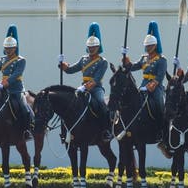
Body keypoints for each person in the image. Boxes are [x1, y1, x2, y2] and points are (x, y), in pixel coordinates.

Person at [59, 22, 112, 140]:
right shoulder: (83, 60)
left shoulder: (103, 62)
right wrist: (64, 66)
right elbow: (71, 70)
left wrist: (85, 87)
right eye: (90, 47)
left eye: (94, 47)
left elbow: (97, 79)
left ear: (98, 47)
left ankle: (106, 130)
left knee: (102, 104)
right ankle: (66, 132)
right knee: (69, 105)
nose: (91, 49)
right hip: (83, 87)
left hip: (96, 89)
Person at [0, 25, 34, 139]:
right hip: (3, 90)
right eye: (6, 48)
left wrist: (6, 83)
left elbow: (16, 74)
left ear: (15, 48)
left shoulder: (21, 60)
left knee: (24, 108)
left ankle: (27, 130)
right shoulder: (2, 59)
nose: (8, 50)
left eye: (10, 48)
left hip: (16, 90)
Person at [122, 20, 168, 151]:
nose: (148, 48)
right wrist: (126, 59)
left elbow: (159, 77)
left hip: (156, 88)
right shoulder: (144, 58)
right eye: (147, 46)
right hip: (142, 85)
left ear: (155, 45)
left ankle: (162, 133)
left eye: (151, 45)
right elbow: (132, 67)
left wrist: (150, 87)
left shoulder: (162, 60)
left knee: (160, 108)